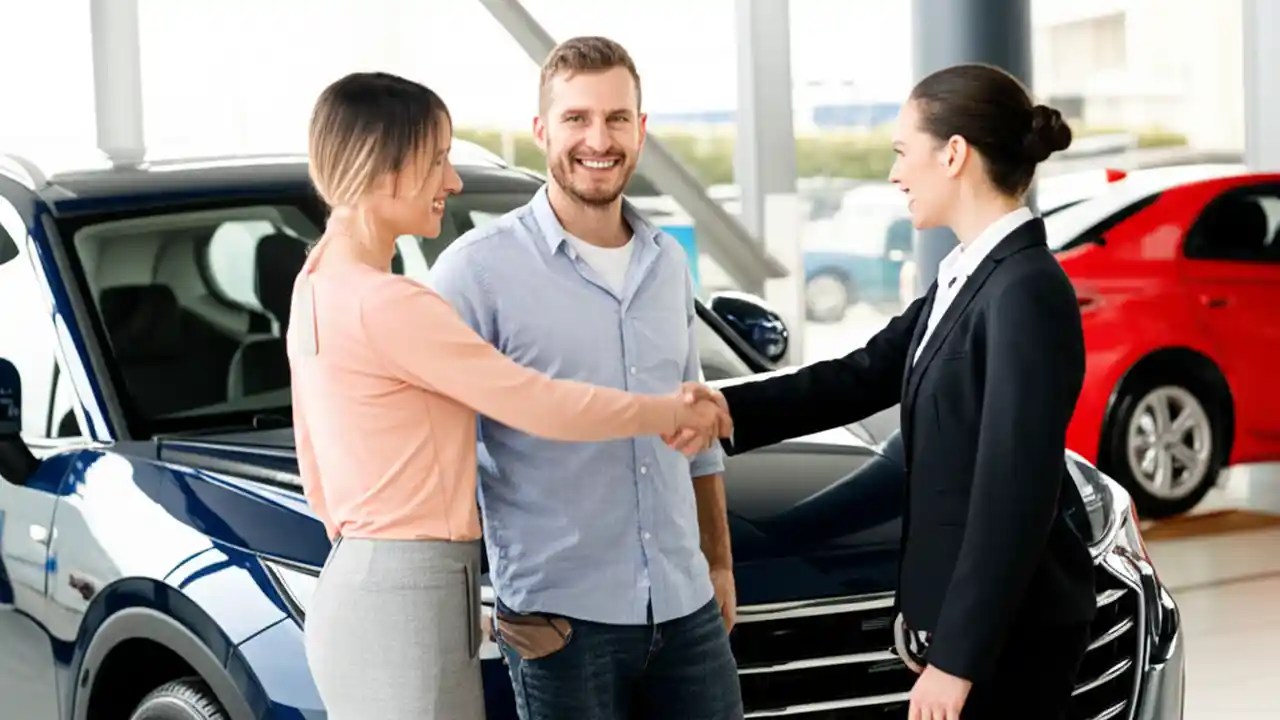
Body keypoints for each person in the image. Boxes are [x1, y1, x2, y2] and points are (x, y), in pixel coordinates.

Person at [289, 71, 727, 720]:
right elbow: (535, 403)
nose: (452, 181)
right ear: (387, 167)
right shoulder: (392, 304)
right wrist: (668, 410)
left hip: (365, 581)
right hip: (409, 593)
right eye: (438, 159)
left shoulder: (318, 283)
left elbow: (314, 466)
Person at [682, 63, 1096, 720]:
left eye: (904, 152)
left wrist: (958, 659)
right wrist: (726, 408)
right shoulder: (970, 274)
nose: (895, 173)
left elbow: (1013, 495)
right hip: (974, 637)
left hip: (1011, 645)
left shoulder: (1026, 292)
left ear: (954, 154)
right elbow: (864, 373)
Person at [428, 36, 743, 720]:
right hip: (561, 624)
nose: (598, 139)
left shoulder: (667, 263)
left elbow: (698, 437)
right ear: (542, 130)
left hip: (686, 610)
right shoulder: (474, 272)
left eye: (617, 118)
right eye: (576, 118)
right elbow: (438, 451)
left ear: (641, 129)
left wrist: (717, 563)